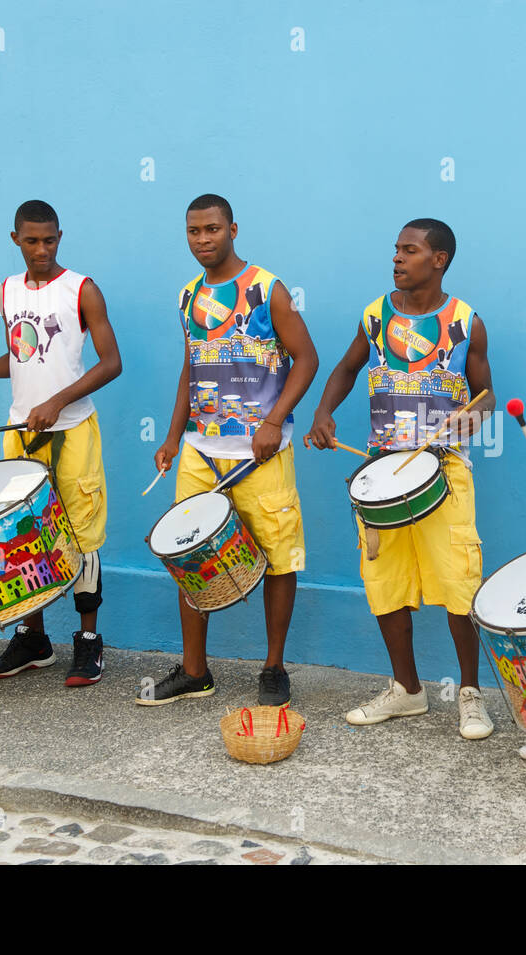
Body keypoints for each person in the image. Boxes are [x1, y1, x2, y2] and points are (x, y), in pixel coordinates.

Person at [306, 218, 497, 740]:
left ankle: (471, 694)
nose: (397, 258)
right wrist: (324, 413)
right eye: (395, 250)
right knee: (384, 581)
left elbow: (486, 395)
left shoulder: (465, 323)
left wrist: (470, 418)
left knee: (458, 582)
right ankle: (406, 690)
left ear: (438, 260)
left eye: (409, 251)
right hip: (379, 468)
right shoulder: (375, 315)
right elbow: (347, 368)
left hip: (444, 468)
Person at [142, 194, 319, 706]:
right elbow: (191, 368)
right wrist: (174, 435)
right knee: (187, 550)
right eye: (194, 231)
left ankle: (273, 667)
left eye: (213, 229)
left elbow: (306, 359)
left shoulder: (266, 290)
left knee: (278, 557)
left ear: (233, 229)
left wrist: (272, 420)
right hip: (201, 448)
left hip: (260, 451)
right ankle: (195, 670)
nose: (203, 240)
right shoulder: (186, 296)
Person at [0, 199, 122, 686]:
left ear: (59, 237)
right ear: (15, 241)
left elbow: (111, 363)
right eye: (32, 241)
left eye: (50, 240)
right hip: (20, 433)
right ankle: (34, 640)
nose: (42, 249)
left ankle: (89, 643)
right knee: (23, 536)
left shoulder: (82, 290)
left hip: (72, 432)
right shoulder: (5, 291)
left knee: (81, 536)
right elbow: (23, 355)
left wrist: (57, 401)